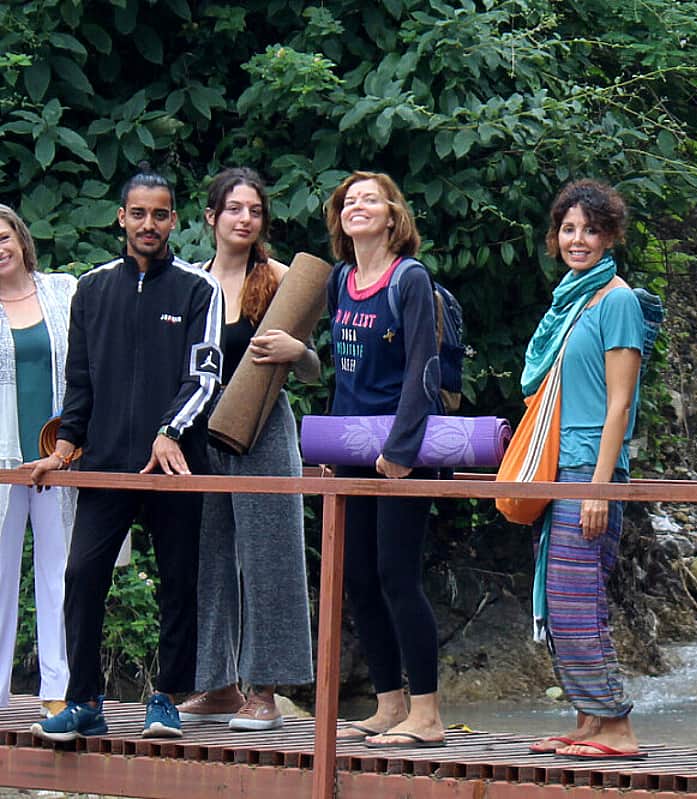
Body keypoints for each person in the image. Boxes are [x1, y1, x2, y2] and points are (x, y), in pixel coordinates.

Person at [27, 165, 223, 741]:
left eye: (160, 214)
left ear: (174, 221)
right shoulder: (92, 289)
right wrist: (65, 447)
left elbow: (205, 376)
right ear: (121, 217)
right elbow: (80, 380)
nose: (148, 224)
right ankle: (84, 700)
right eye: (138, 213)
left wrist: (170, 431)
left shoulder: (199, 289)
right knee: (82, 574)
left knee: (178, 580)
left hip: (176, 464)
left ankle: (166, 699)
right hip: (107, 464)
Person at [175, 168, 317, 731]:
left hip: (263, 430)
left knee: (270, 558)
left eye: (255, 211)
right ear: (211, 217)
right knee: (207, 558)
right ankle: (217, 685)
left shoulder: (281, 279)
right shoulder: (191, 282)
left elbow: (312, 369)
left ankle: (266, 690)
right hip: (200, 432)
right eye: (234, 209)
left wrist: (296, 351)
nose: (245, 219)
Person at [522, 179, 647, 761]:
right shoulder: (571, 300)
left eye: (591, 230)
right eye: (568, 228)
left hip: (590, 469)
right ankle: (587, 721)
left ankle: (616, 726)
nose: (578, 239)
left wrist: (598, 488)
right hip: (559, 465)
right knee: (561, 594)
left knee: (579, 597)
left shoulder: (617, 300)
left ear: (610, 236)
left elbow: (620, 404)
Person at [324, 171, 445, 748]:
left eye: (370, 199)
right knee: (360, 578)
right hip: (351, 450)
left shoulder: (410, 278)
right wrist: (330, 444)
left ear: (393, 215)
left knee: (397, 575)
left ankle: (427, 713)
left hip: (403, 451)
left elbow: (425, 367)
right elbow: (341, 372)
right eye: (349, 201)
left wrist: (400, 450)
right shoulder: (340, 280)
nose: (358, 206)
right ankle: (389, 704)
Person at [0, 205, 75, 718]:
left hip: (56, 459)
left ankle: (57, 690)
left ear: (21, 239)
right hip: (2, 461)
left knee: (60, 575)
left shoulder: (64, 291)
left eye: (3, 237)